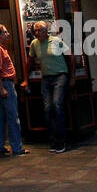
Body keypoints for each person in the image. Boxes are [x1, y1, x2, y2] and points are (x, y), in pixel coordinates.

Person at [28, 20, 73, 153]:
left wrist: (72, 77)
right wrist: (26, 79)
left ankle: (62, 141)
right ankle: (53, 141)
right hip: (46, 78)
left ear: (46, 31)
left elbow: (70, 56)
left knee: (57, 105)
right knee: (48, 109)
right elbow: (30, 61)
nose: (37, 33)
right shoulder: (34, 44)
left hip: (60, 75)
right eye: (35, 31)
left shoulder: (56, 41)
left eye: (40, 30)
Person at [0, 24, 26, 156]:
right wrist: (2, 88)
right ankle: (17, 147)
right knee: (12, 116)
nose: (8, 34)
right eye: (5, 32)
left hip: (3, 84)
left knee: (1, 117)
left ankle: (0, 145)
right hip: (5, 84)